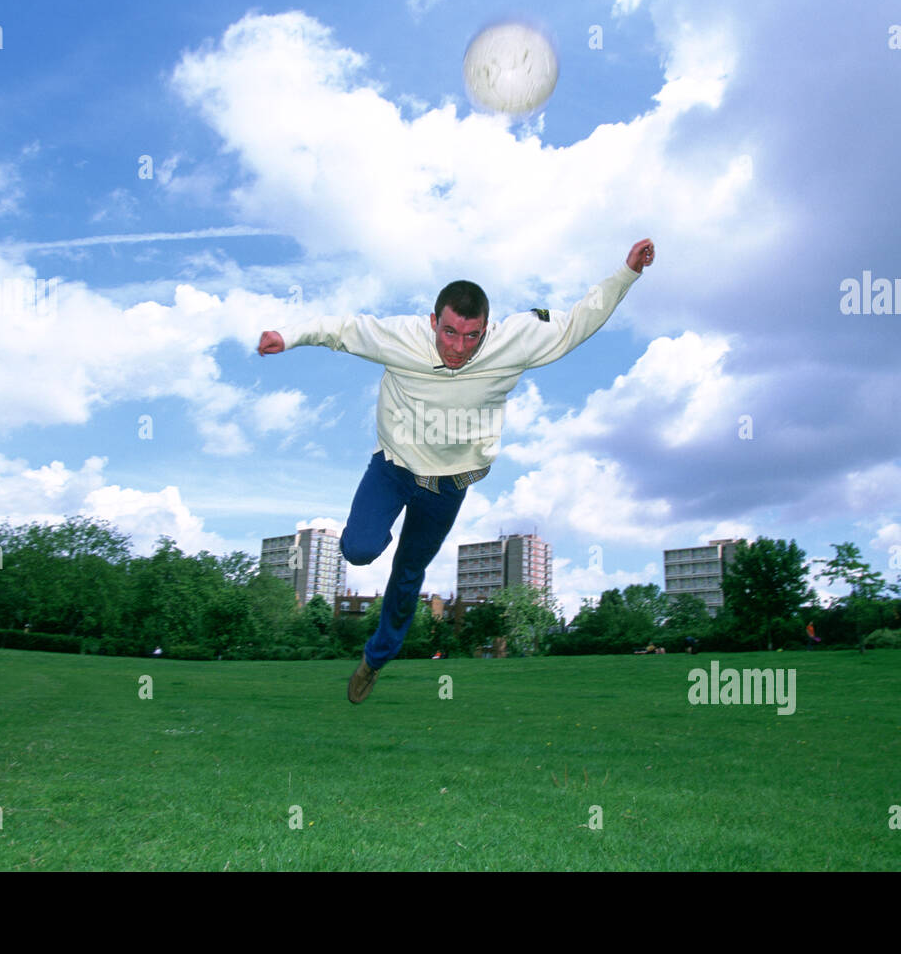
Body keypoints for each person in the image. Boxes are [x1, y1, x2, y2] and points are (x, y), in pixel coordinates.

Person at [259, 239, 655, 702]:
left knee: (409, 572)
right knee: (359, 549)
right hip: (393, 467)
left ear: (487, 329)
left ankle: (375, 660)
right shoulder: (402, 337)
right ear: (434, 322)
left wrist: (627, 273)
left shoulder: (514, 341)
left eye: (471, 336)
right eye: (449, 333)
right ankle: (377, 531)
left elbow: (575, 324)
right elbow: (342, 329)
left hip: (448, 485)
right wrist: (287, 336)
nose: (458, 347)